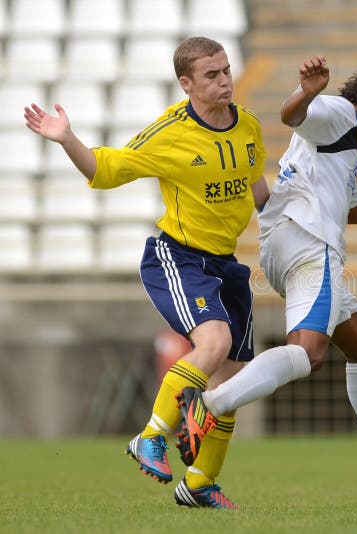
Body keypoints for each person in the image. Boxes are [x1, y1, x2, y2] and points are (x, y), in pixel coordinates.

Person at [175, 56, 357, 507]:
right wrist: (307, 92)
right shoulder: (340, 114)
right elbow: (293, 115)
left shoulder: (343, 147)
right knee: (308, 354)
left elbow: (356, 209)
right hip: (310, 246)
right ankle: (209, 404)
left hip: (286, 244)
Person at [24, 37, 268, 510]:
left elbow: (258, 190)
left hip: (228, 266)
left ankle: (200, 484)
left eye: (226, 70)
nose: (224, 81)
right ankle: (151, 436)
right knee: (214, 342)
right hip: (180, 257)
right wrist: (67, 138)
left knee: (231, 383)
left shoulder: (249, 125)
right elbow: (105, 170)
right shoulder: (170, 132)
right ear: (186, 83)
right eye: (212, 75)